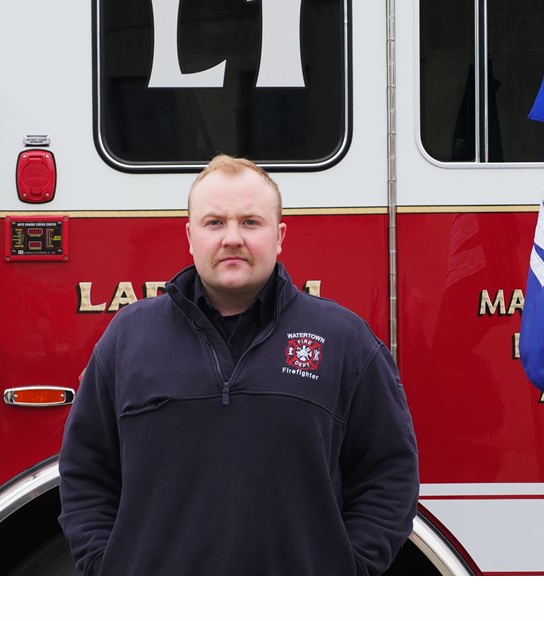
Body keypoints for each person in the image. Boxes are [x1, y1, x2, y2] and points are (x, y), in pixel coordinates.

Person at [58, 155, 419, 575]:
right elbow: (86, 471)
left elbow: (389, 472)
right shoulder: (128, 338)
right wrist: (109, 570)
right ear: (190, 236)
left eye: (250, 222)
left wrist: (345, 570)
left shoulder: (343, 339)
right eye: (214, 223)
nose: (232, 238)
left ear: (279, 235)